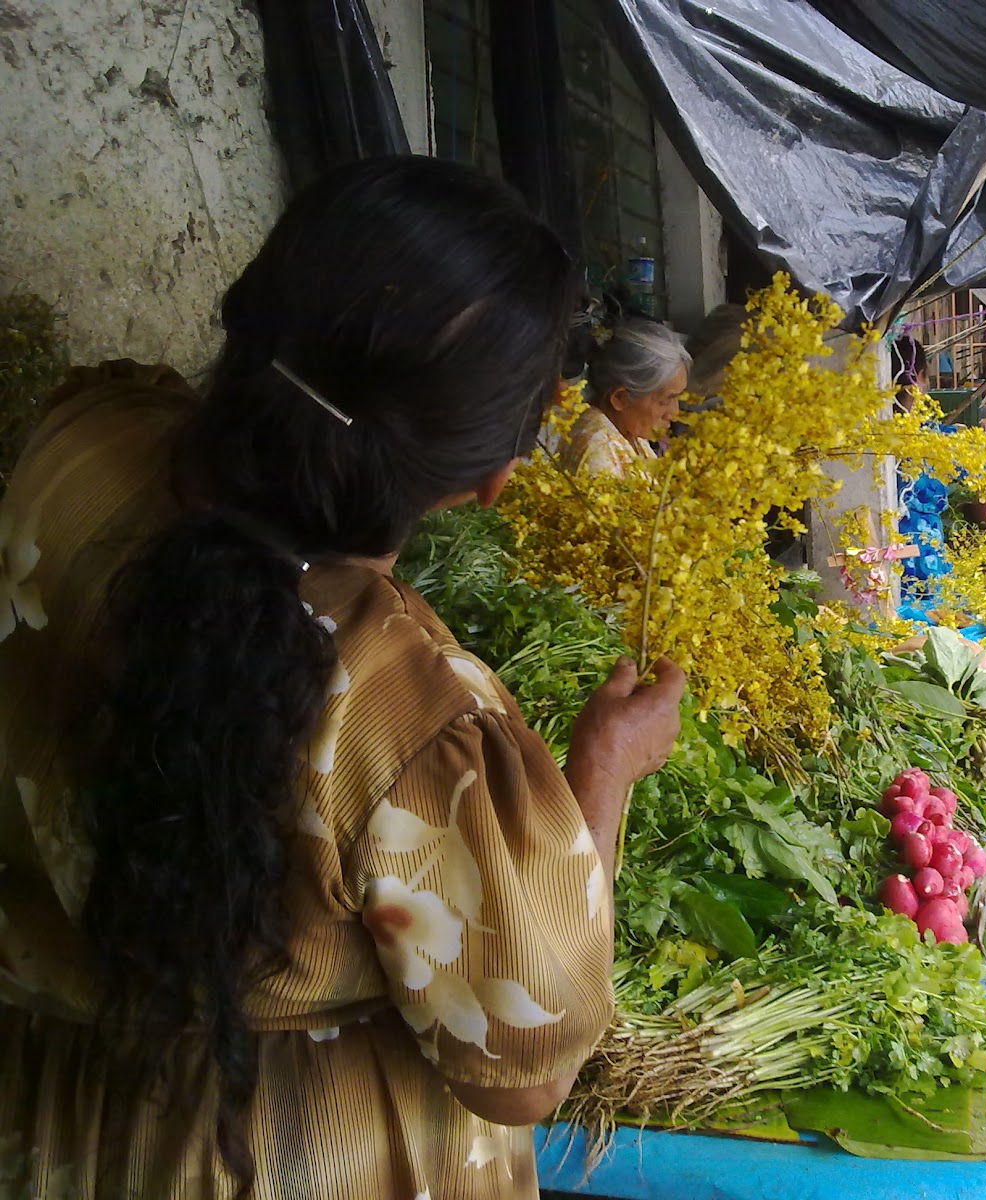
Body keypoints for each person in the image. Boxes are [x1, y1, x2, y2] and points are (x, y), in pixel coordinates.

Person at [0, 156, 686, 1198]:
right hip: (266, 1153)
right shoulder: (411, 717)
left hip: (50, 1113)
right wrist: (604, 772)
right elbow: (523, 1070)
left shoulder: (79, 438)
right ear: (494, 475)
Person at [561, 316, 690, 476]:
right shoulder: (599, 449)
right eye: (665, 401)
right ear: (620, 398)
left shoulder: (629, 430)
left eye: (677, 398)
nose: (674, 413)